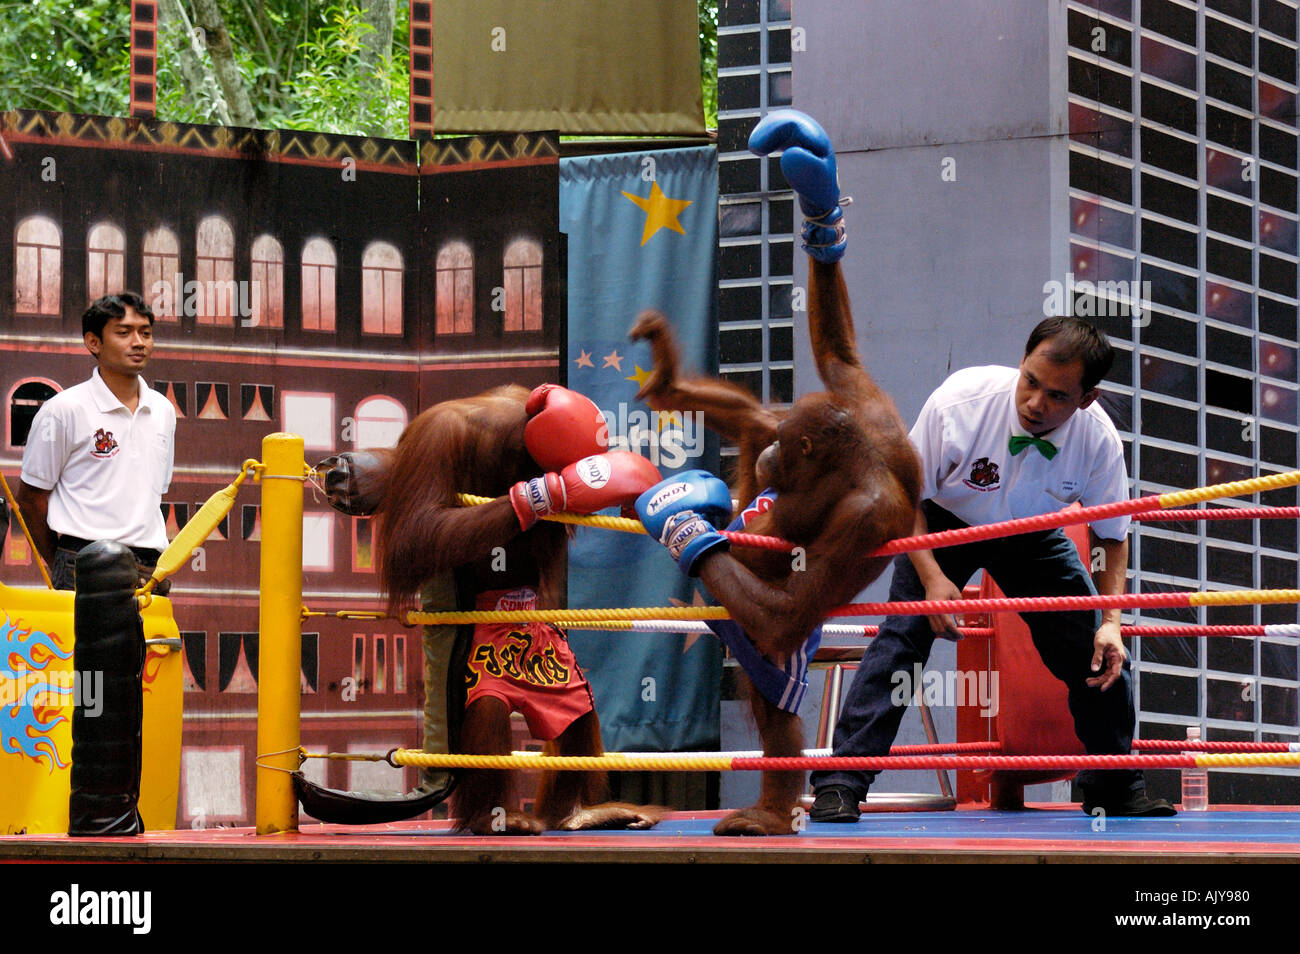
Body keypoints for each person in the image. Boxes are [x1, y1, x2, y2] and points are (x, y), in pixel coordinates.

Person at [809, 316, 1176, 820]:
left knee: (1100, 652)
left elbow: (1113, 537)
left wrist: (1111, 622)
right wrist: (934, 578)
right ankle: (840, 783)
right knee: (902, 640)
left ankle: (1114, 782)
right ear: (1021, 364)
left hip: (1034, 535)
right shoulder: (961, 402)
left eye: (1057, 396)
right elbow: (903, 497)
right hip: (943, 523)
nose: (1035, 403)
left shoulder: (1098, 441)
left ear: (1087, 399)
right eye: (1031, 382)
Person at [15, 292, 175, 591]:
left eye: (146, 333)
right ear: (93, 342)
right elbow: (30, 499)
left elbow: (154, 494)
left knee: (151, 640)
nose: (139, 342)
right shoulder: (64, 409)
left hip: (151, 568)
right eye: (124, 332)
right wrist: (65, 562)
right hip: (83, 562)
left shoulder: (163, 410)